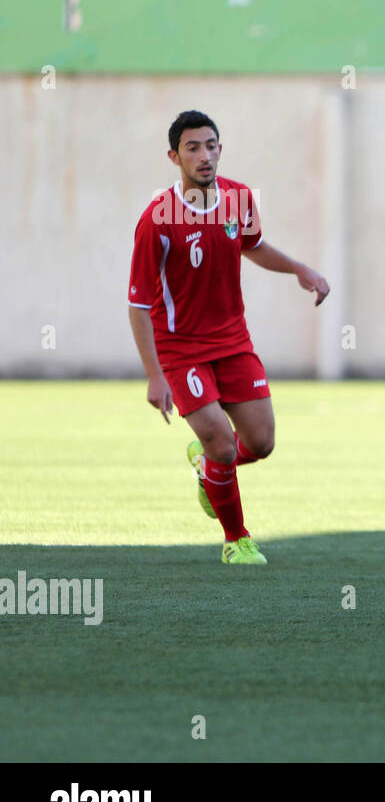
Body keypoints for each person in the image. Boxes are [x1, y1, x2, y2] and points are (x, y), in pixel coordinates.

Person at [127, 110, 330, 564]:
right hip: (180, 350)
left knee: (260, 443)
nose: (204, 155)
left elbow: (253, 245)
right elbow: (138, 304)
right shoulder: (157, 219)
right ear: (174, 156)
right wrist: (154, 376)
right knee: (222, 438)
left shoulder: (238, 198)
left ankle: (207, 465)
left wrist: (299, 268)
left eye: (211, 145)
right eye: (193, 147)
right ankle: (236, 539)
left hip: (233, 341)